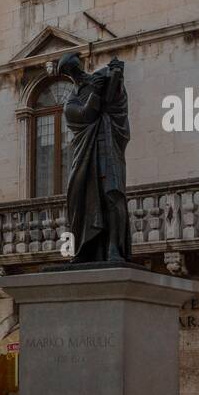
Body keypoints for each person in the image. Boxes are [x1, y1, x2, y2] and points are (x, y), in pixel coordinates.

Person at [58, 52, 131, 263]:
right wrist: (96, 92)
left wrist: (117, 76)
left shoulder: (101, 76)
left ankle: (113, 248)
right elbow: (84, 116)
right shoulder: (70, 102)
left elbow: (118, 103)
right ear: (69, 76)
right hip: (85, 155)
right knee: (80, 198)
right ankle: (84, 247)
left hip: (107, 145)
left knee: (112, 195)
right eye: (73, 72)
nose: (79, 73)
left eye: (78, 68)